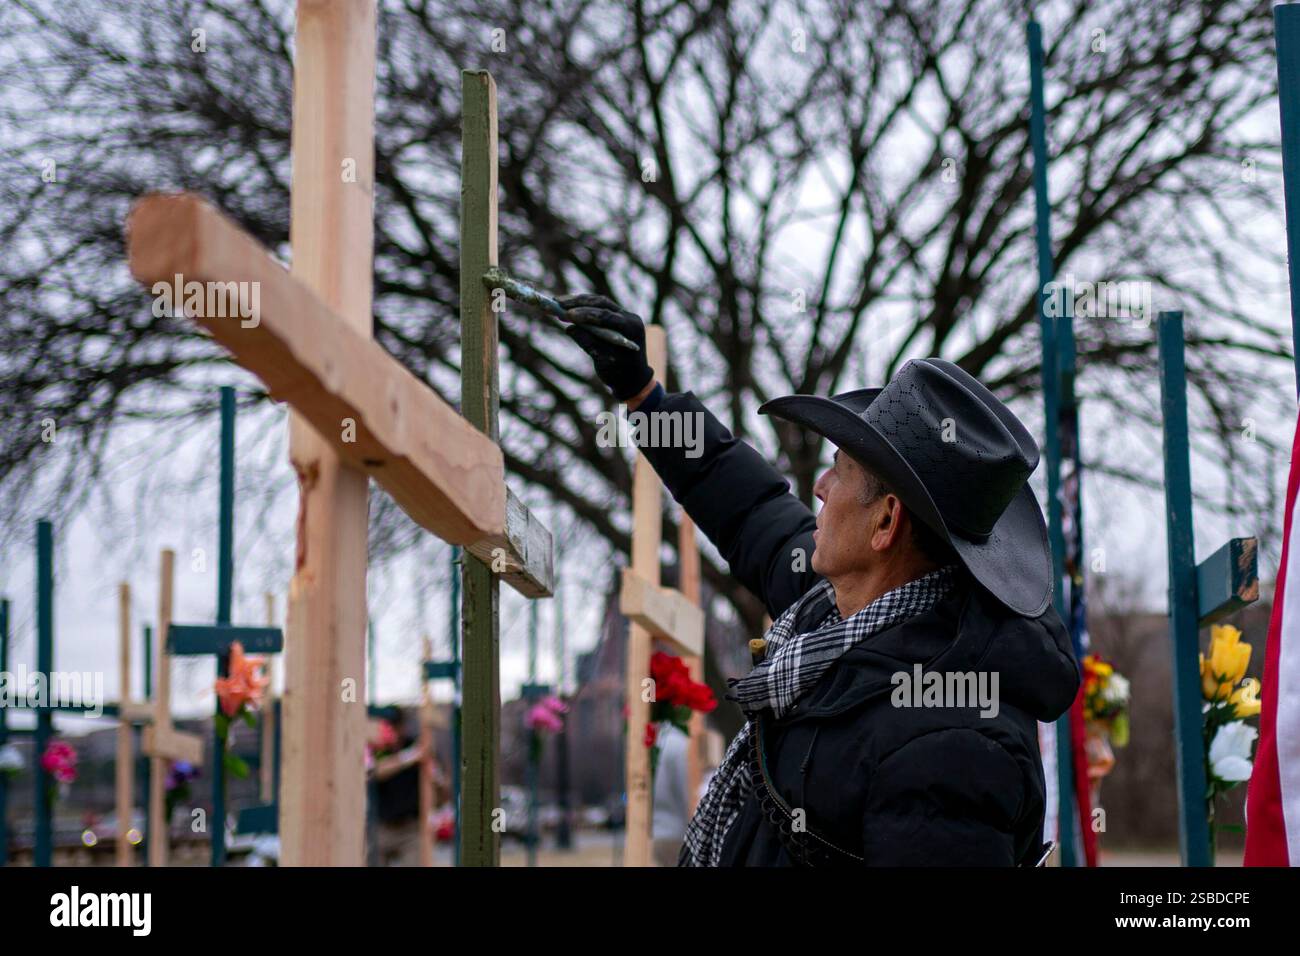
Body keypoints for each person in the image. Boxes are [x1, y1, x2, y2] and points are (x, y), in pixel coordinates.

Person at [562, 294, 1080, 867]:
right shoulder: (838, 615)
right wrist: (645, 398)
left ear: (885, 521)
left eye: (840, 470)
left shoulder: (952, 747)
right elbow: (749, 508)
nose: (820, 489)